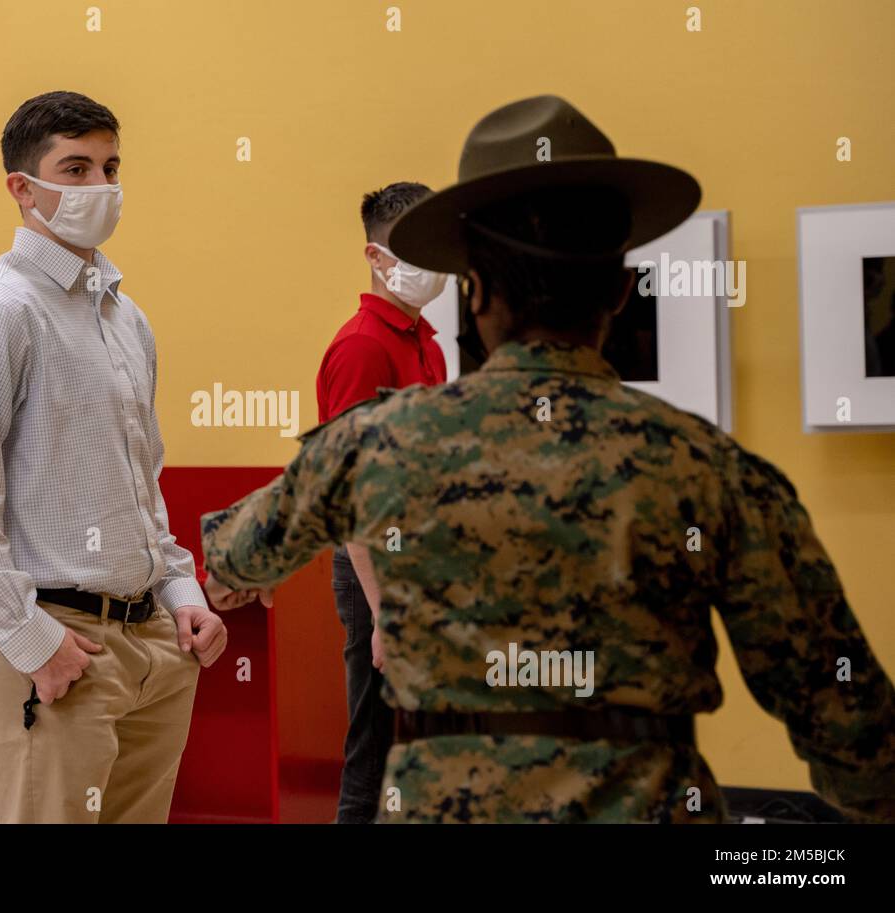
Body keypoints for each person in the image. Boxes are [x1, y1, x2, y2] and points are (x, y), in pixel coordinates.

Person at [200, 95, 895, 822]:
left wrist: (235, 580)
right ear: (621, 291)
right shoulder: (710, 469)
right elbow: (858, 734)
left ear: (475, 294)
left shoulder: (378, 444)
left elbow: (234, 556)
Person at [0, 90, 226, 824]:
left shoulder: (125, 316)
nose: (101, 188)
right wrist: (31, 640)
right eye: (76, 168)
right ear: (23, 189)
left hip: (152, 640)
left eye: (111, 167)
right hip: (56, 639)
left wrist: (184, 597)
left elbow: (141, 481)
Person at [317, 182, 447, 823]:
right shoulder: (363, 346)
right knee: (374, 744)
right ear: (376, 256)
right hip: (377, 573)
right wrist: (382, 611)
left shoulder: (428, 342)